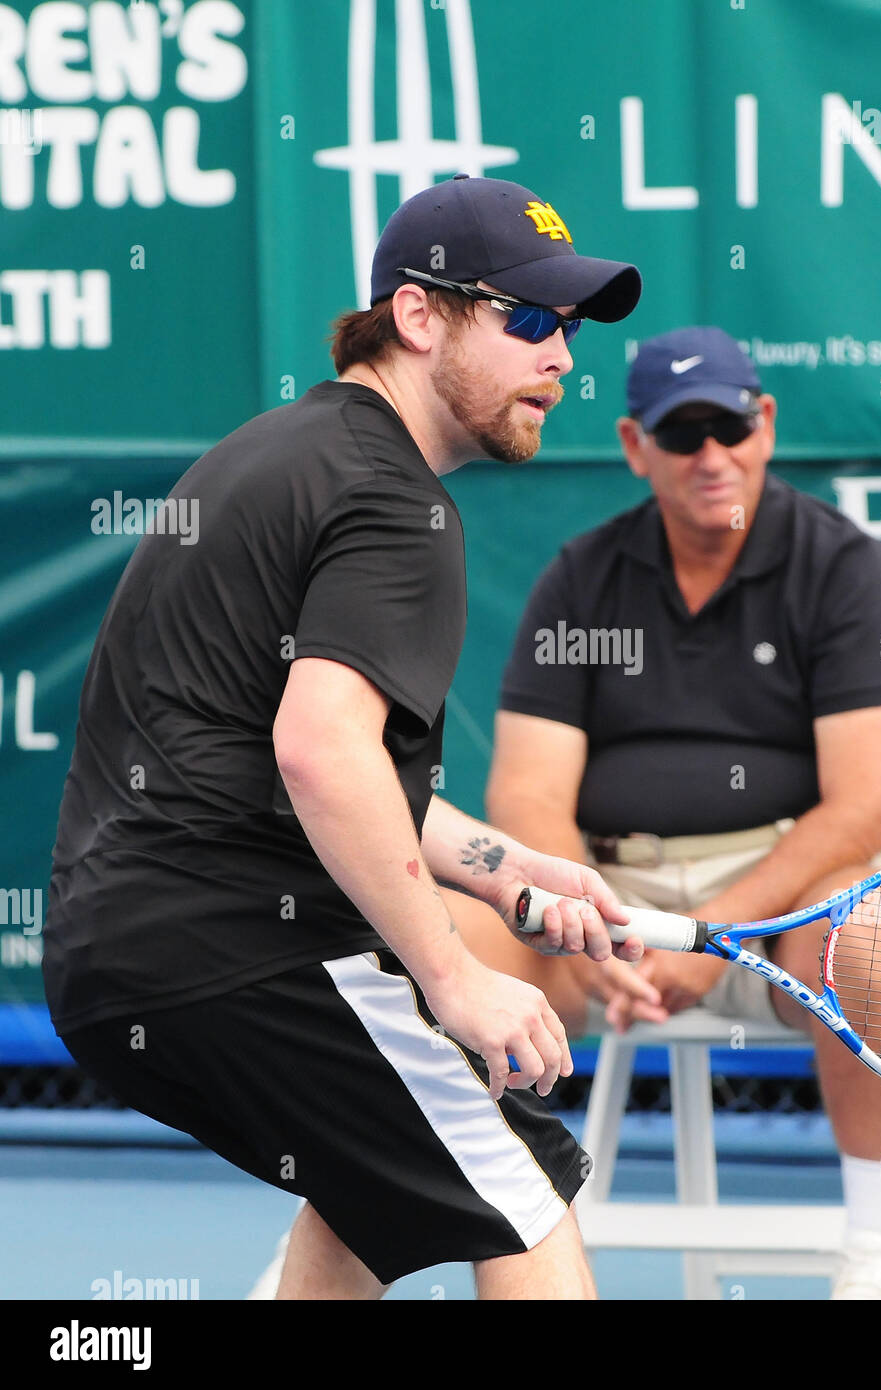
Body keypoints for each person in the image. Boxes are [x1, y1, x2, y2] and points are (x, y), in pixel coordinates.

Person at [43, 175, 647, 1301]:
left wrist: (513, 872)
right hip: (235, 940)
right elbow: (322, 755)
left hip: (119, 952)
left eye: (566, 327)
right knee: (521, 1191)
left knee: (380, 1173)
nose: (562, 354)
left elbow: (322, 768)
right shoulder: (393, 502)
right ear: (420, 316)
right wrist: (455, 973)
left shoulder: (277, 451)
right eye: (527, 319)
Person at [461, 325, 881, 1299]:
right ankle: (359, 1238)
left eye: (728, 425)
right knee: (440, 938)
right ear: (637, 448)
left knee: (877, 929)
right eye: (682, 434)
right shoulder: (581, 576)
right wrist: (593, 932)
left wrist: (704, 935)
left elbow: (863, 807)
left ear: (763, 425)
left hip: (789, 895)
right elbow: (525, 797)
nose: (710, 456)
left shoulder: (847, 568)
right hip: (604, 892)